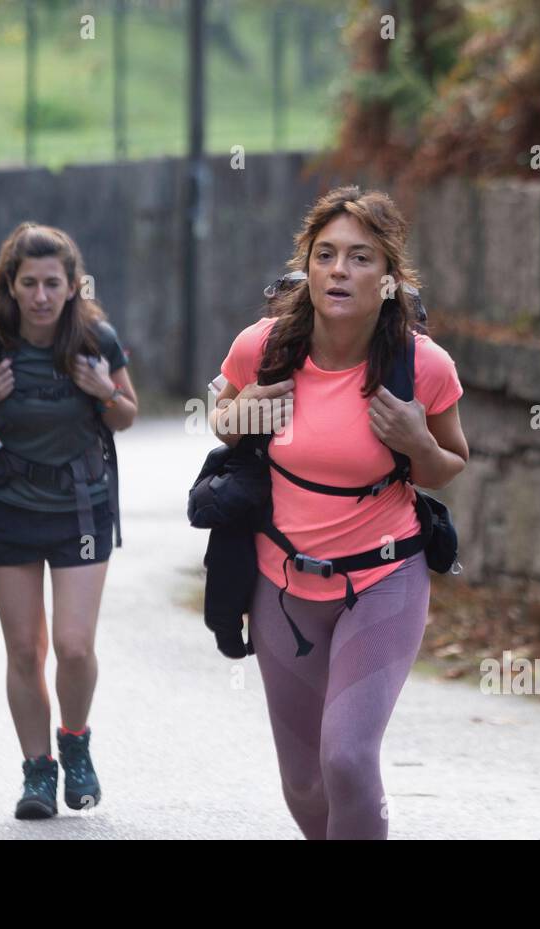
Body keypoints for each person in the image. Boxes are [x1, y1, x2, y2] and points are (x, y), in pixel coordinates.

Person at [209, 186, 469, 839]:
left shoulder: (421, 364)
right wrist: (239, 414)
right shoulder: (265, 348)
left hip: (383, 579)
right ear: (308, 265)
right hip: (283, 582)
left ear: (388, 277)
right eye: (325, 255)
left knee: (348, 759)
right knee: (304, 781)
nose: (339, 271)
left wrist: (415, 439)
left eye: (359, 257)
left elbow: (450, 464)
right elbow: (223, 414)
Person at [0, 222, 138, 820]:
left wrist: (104, 389)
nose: (40, 295)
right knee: (26, 651)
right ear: (10, 284)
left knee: (75, 647)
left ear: (72, 285)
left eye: (52, 283)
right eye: (28, 282)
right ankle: (37, 773)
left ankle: (75, 744)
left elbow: (127, 415)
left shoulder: (95, 339)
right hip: (8, 508)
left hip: (82, 506)